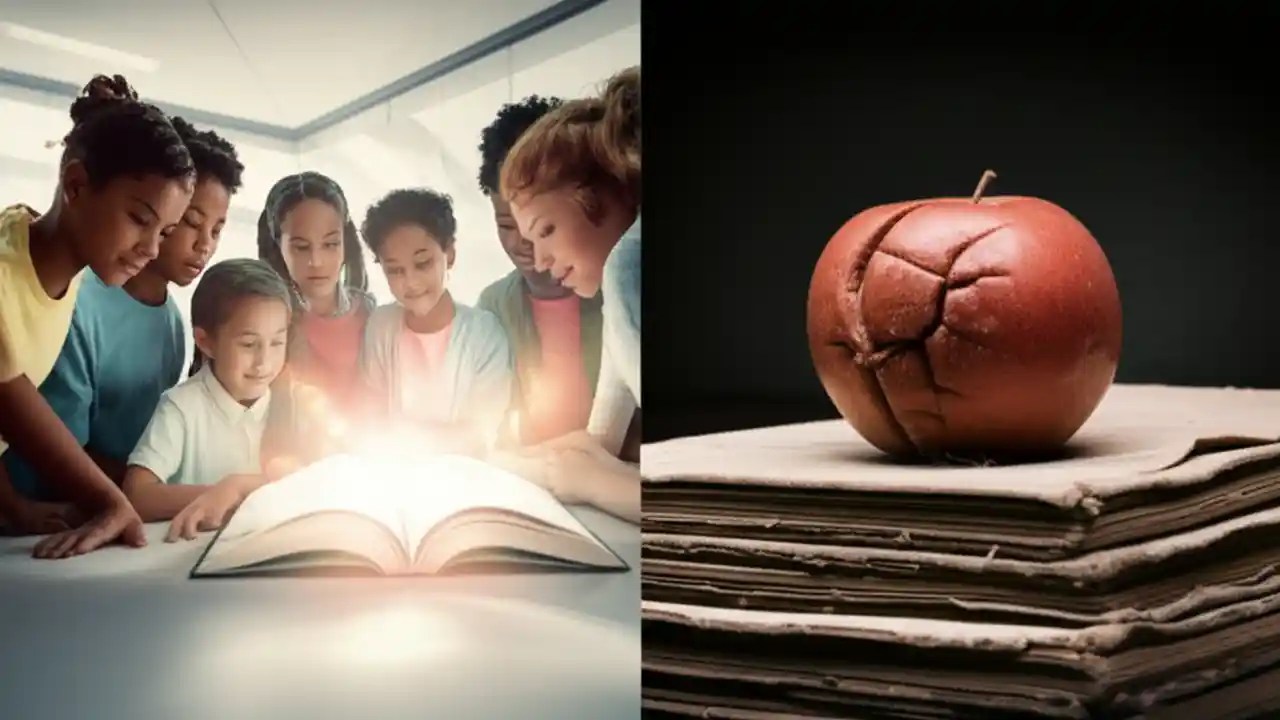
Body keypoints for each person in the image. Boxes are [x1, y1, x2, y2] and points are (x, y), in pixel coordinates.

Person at [0, 117, 242, 535]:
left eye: (165, 228)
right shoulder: (70, 288)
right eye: (140, 218)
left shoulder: (168, 321)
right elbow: (22, 417)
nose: (151, 248)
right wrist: (128, 497)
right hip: (51, 507)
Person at [497, 66, 641, 524]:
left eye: (547, 230)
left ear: (605, 192)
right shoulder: (619, 281)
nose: (539, 261)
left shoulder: (628, 261)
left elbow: (684, 480)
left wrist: (589, 481)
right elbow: (599, 440)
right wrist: (503, 461)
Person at [117, 259, 325, 542]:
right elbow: (137, 496)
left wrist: (238, 487)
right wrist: (218, 494)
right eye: (249, 345)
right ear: (206, 342)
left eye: (277, 343)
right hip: (186, 558)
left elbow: (317, 483)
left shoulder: (294, 401)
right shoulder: (182, 406)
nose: (264, 362)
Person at [476, 94, 613, 450]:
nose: (529, 246)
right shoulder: (492, 308)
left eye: (544, 227)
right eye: (507, 224)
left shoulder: (617, 284)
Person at [358, 188, 514, 456]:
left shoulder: (485, 335)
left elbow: (479, 436)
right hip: (391, 475)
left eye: (422, 263)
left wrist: (403, 436)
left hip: (466, 479)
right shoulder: (381, 326)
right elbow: (369, 416)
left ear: (449, 254)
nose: (411, 282)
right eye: (395, 270)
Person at [257, 172, 375, 417]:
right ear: (278, 247)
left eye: (330, 244)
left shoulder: (371, 315)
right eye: (301, 247)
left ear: (345, 242)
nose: (316, 261)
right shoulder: (262, 320)